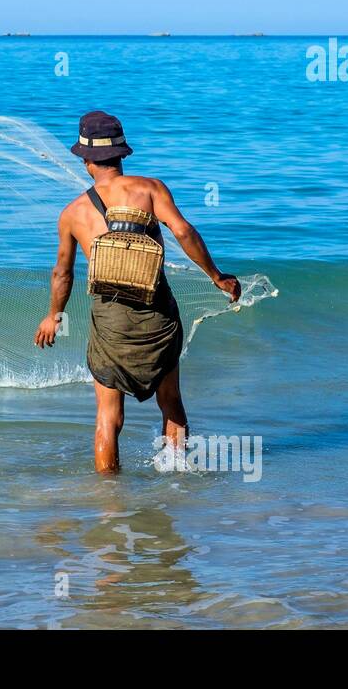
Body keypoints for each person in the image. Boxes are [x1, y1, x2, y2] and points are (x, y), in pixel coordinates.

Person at [34, 111, 241, 473]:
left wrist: (54, 316)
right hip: (156, 314)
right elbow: (183, 232)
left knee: (108, 416)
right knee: (171, 401)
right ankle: (175, 478)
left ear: (85, 161)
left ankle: (110, 500)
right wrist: (216, 275)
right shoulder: (150, 189)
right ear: (122, 154)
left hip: (110, 322)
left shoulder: (72, 213)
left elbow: (62, 274)